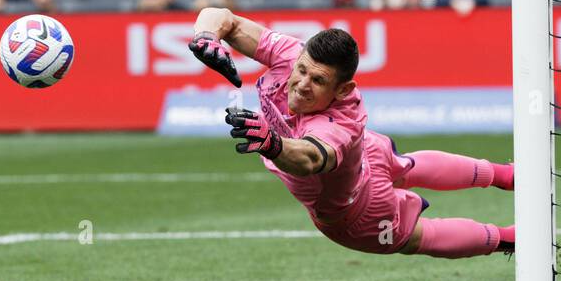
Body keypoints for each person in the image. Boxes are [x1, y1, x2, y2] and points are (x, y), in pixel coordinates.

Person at [187, 14, 515, 257]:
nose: (301, 84)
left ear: (343, 89)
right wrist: (206, 36)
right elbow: (224, 19)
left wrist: (273, 144)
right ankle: (507, 175)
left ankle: (508, 238)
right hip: (367, 154)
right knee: (407, 165)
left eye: (317, 81)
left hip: (357, 211)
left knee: (416, 237)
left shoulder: (338, 125)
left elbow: (310, 158)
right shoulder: (292, 54)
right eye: (301, 70)